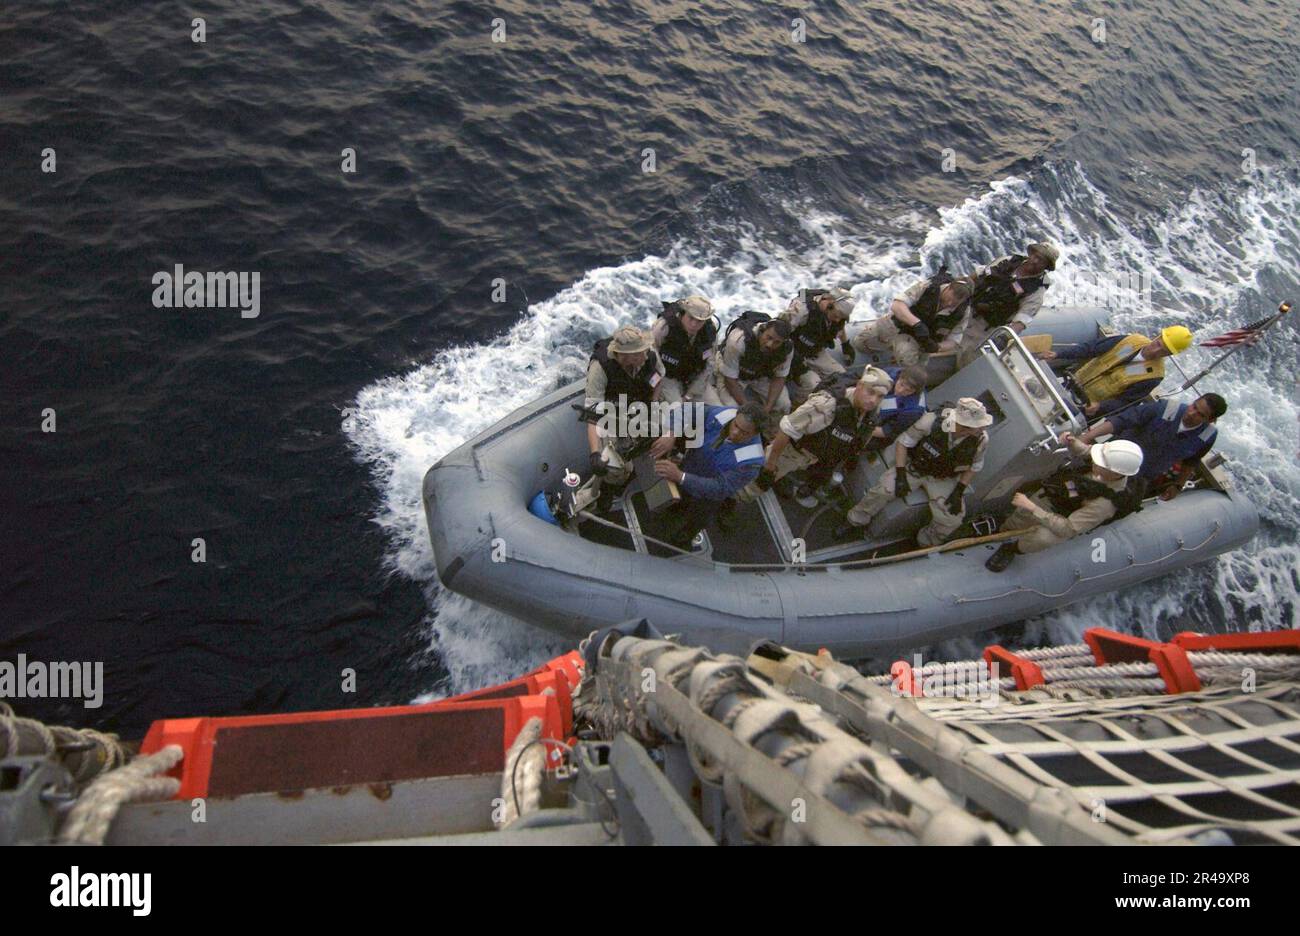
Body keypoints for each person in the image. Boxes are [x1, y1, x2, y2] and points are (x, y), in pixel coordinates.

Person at [835, 397, 993, 547]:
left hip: (942, 478)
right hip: (914, 467)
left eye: (976, 427)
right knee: (882, 491)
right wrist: (901, 473)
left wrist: (959, 490)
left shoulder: (980, 439)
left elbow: (974, 466)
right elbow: (903, 444)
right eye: (969, 427)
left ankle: (925, 542)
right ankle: (855, 520)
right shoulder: (931, 422)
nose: (975, 430)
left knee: (951, 519)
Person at [984, 437, 1144, 572]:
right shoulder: (1104, 465)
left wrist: (1033, 509)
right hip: (1061, 493)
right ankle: (1004, 529)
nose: (1095, 463)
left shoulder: (1105, 504)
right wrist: (1072, 441)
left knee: (1044, 537)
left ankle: (1012, 549)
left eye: (1100, 465)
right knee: (1017, 519)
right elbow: (1087, 452)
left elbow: (1069, 528)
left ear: (1116, 474)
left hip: (1061, 515)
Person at [739, 366, 894, 502]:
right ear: (860, 385)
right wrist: (770, 464)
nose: (874, 400)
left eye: (880, 396)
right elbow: (787, 428)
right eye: (871, 392)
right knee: (756, 483)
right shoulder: (826, 405)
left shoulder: (870, 410)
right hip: (791, 452)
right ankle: (733, 499)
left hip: (815, 455)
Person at [649, 402, 768, 548]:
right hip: (688, 470)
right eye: (736, 425)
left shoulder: (752, 461)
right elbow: (685, 410)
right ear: (736, 416)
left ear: (756, 433)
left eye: (744, 432)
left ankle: (680, 541)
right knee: (673, 507)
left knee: (690, 525)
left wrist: (680, 476)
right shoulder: (724, 415)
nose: (736, 432)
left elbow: (719, 488)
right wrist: (671, 433)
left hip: (704, 499)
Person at [1075, 393, 1226, 499]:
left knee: (1104, 503)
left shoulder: (1207, 436)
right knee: (1076, 486)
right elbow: (1122, 420)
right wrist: (1088, 437)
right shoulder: (1164, 408)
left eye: (1200, 414)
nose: (1192, 413)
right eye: (1194, 406)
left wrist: (1178, 485)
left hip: (1139, 477)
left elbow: (1191, 461)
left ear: (1211, 420)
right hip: (1110, 461)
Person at [583, 325, 665, 503]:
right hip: (612, 412)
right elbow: (592, 414)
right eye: (638, 353)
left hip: (640, 405)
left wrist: (652, 406)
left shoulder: (649, 355)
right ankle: (608, 489)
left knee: (664, 433)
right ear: (624, 356)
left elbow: (658, 380)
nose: (644, 356)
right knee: (616, 468)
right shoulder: (601, 368)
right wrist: (595, 453)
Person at [1043, 326, 1194, 417]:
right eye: (1159, 343)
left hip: (1086, 407)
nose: (1156, 350)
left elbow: (1125, 401)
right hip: (1070, 385)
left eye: (1164, 351)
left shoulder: (1153, 375)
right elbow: (1092, 348)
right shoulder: (1131, 341)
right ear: (1158, 336)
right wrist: (1059, 354)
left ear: (1170, 354)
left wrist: (1100, 407)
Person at [956, 242, 1058, 366]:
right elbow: (979, 274)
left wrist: (1003, 338)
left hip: (983, 327)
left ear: (1046, 266)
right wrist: (958, 287)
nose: (1035, 261)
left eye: (1041, 260)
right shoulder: (1008, 261)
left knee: (964, 358)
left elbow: (1021, 321)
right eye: (1035, 255)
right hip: (967, 307)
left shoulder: (1036, 291)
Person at [849, 269, 974, 366]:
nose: (949, 304)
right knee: (859, 343)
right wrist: (917, 324)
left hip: (918, 342)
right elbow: (897, 305)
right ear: (948, 287)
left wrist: (938, 347)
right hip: (897, 326)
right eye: (948, 299)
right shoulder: (927, 287)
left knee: (910, 366)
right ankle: (887, 347)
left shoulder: (963, 312)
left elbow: (954, 340)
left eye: (954, 303)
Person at [707, 311, 795, 415]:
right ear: (763, 330)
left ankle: (769, 428)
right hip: (734, 376)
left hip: (760, 375)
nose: (770, 344)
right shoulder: (739, 341)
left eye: (777, 342)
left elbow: (779, 378)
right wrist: (748, 408)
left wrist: (768, 408)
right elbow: (730, 379)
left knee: (783, 405)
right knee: (733, 410)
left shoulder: (786, 348)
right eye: (769, 337)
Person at [780, 287, 856, 394]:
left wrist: (845, 344)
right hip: (793, 352)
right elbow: (780, 334)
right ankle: (798, 405)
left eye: (841, 318)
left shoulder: (836, 315)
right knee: (813, 383)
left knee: (841, 376)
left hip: (815, 351)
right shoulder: (801, 309)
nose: (837, 320)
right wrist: (794, 359)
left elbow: (839, 326)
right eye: (835, 316)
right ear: (829, 304)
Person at [652, 295, 718, 403]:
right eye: (691, 318)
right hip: (667, 376)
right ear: (683, 313)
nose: (694, 324)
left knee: (717, 408)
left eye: (699, 321)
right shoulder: (664, 327)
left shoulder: (709, 333)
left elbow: (709, 365)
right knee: (678, 410)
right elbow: (651, 356)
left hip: (694, 377)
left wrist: (690, 393)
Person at [868, 364, 929, 452]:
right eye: (901, 384)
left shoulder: (913, 410)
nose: (900, 391)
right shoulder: (890, 373)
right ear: (899, 377)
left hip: (879, 427)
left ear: (915, 392)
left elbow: (886, 431)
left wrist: (860, 428)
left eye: (908, 390)